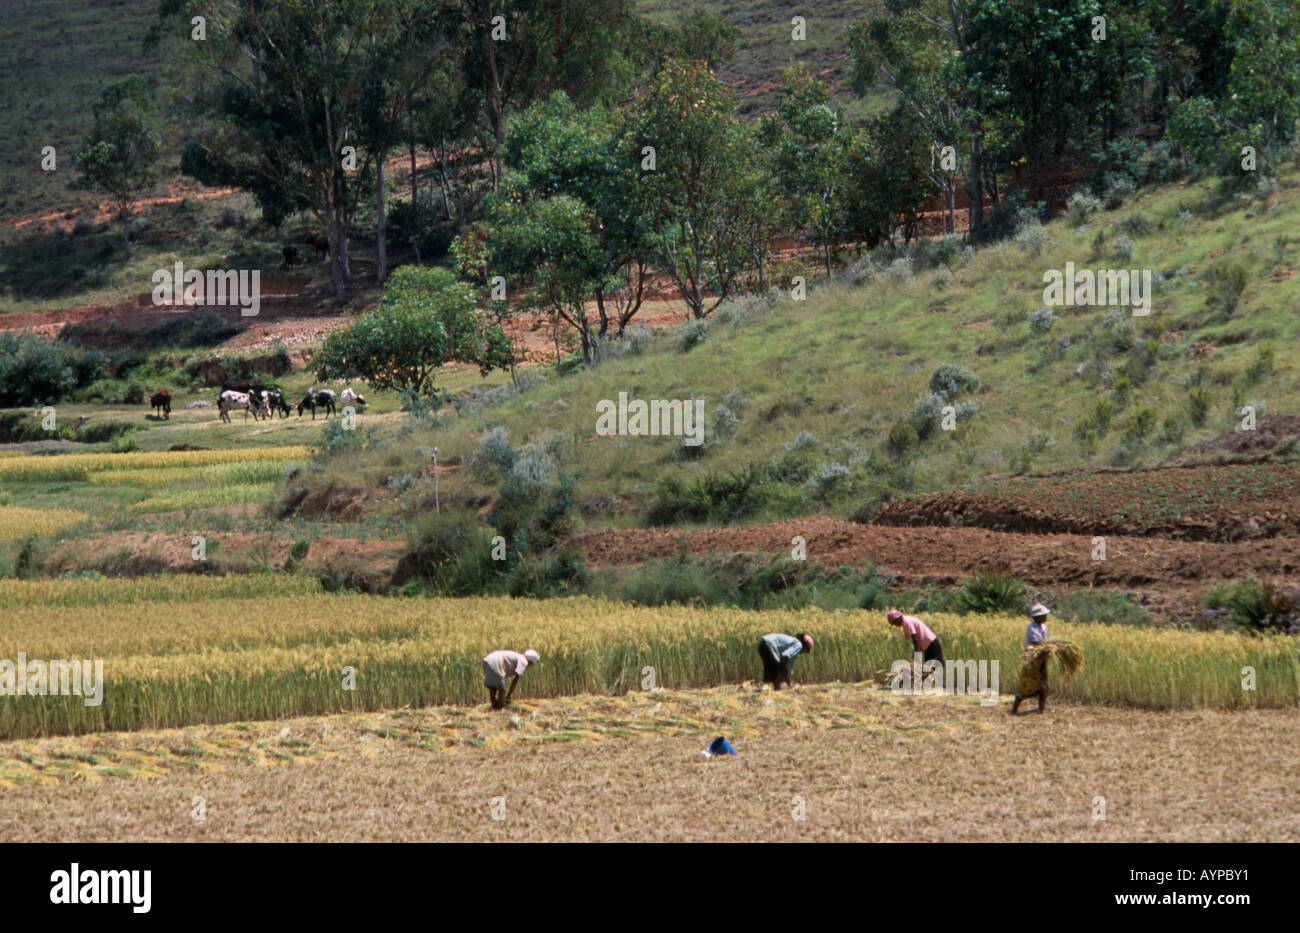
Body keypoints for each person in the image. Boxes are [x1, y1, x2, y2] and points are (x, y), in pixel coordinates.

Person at [1011, 603, 1051, 715]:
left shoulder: (1044, 627)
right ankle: (1014, 709)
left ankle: (1041, 709)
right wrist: (1050, 646)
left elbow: (1044, 642)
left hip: (1041, 658)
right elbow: (1037, 643)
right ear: (1036, 617)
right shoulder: (1032, 627)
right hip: (1032, 659)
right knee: (1027, 685)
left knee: (1043, 684)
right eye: (1043, 615)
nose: (1045, 617)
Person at [886, 609, 945, 675]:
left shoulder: (907, 623)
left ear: (898, 619)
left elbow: (915, 638)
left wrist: (916, 655)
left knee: (935, 667)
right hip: (928, 646)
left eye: (894, 623)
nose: (895, 625)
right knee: (929, 668)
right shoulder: (906, 621)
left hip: (931, 644)